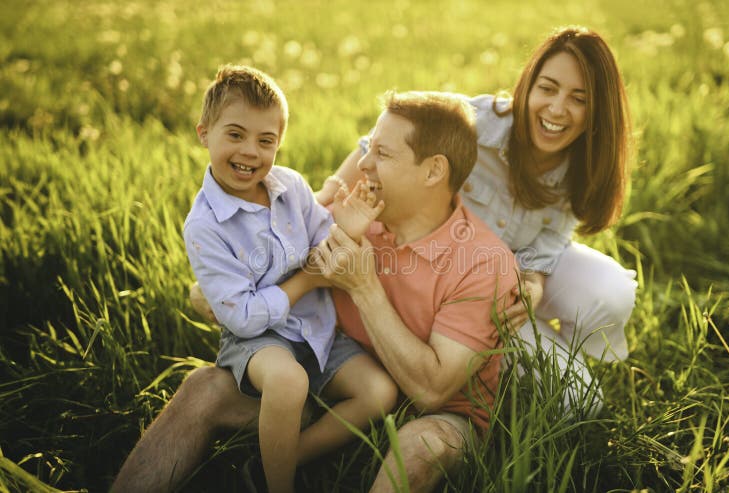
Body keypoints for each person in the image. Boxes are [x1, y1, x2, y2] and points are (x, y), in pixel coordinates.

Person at [112, 90, 517, 492]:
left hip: (440, 415)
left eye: (383, 154)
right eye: (368, 148)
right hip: (334, 379)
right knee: (205, 389)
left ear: (433, 172)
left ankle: (282, 461)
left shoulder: (483, 263)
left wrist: (364, 288)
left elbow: (431, 392)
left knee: (420, 446)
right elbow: (249, 273)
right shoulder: (351, 218)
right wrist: (207, 296)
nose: (363, 164)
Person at [316, 26, 638, 407]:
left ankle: (564, 354)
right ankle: (530, 360)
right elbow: (379, 144)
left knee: (610, 294)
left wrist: (533, 281)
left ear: (596, 111)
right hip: (456, 276)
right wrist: (328, 191)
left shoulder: (584, 163)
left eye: (578, 98)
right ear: (528, 86)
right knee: (577, 402)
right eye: (547, 88)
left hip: (507, 277)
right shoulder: (476, 121)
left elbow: (553, 236)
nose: (556, 109)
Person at [146, 64, 397, 493]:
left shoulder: (291, 187)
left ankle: (281, 456)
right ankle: (278, 485)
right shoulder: (205, 226)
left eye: (266, 141)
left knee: (378, 392)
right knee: (287, 380)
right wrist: (307, 282)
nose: (250, 152)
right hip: (257, 341)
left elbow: (323, 243)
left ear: (280, 143)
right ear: (204, 133)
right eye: (236, 135)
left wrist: (348, 227)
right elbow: (241, 318)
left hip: (316, 330)